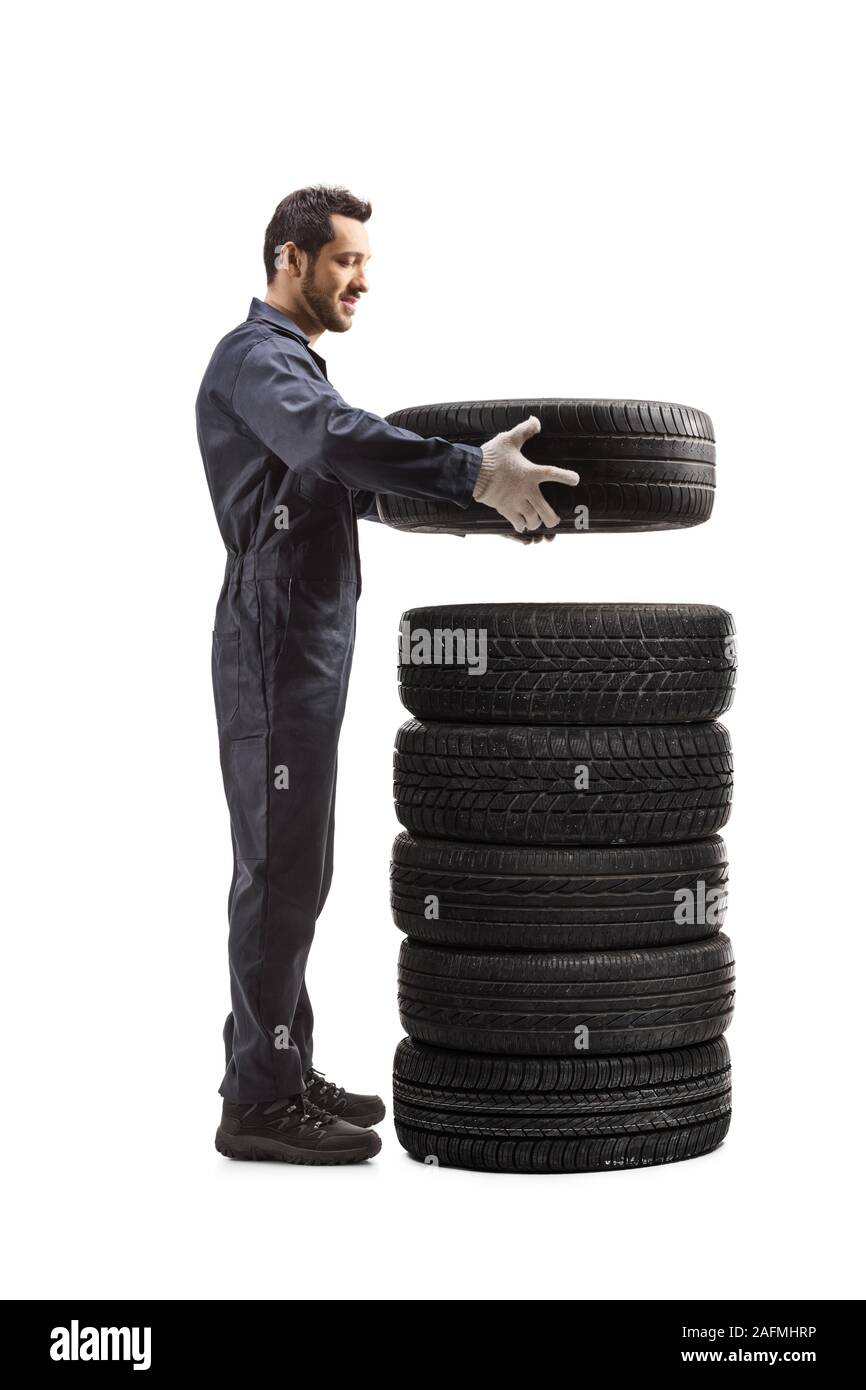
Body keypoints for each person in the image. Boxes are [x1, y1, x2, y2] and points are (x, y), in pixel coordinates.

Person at [195, 184, 578, 1165]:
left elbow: (346, 481)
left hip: (305, 644)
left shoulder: (294, 370)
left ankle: (279, 1063)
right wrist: (465, 470)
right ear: (289, 259)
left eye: (364, 260)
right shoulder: (257, 361)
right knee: (279, 875)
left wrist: (479, 498)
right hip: (275, 646)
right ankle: (257, 1104)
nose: (362, 278)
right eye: (344, 260)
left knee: (297, 871)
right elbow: (330, 445)